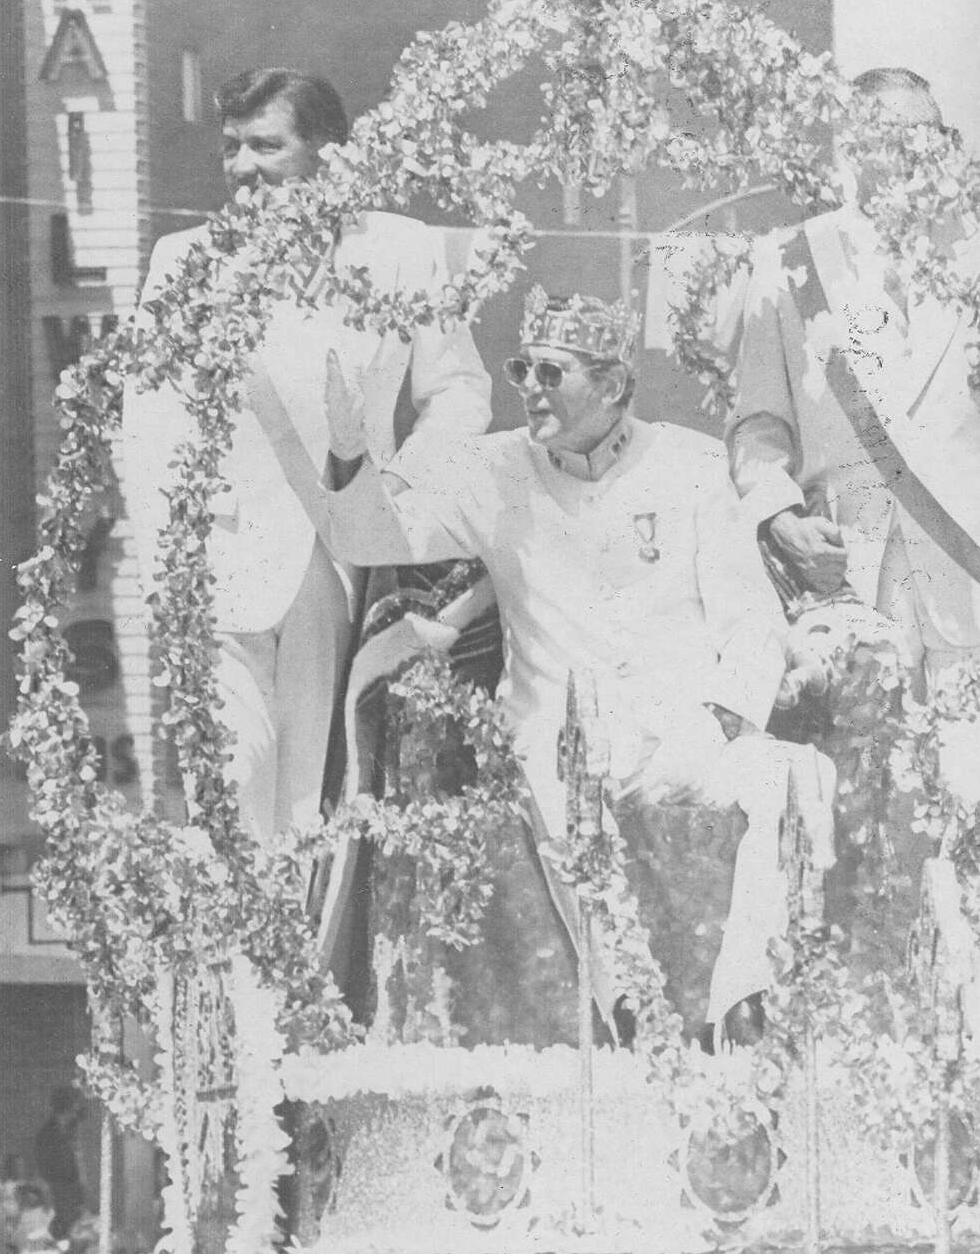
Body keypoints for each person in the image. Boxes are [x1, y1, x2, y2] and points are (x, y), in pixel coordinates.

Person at [257, 286, 830, 1041]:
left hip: (688, 732)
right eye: (520, 369)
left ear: (614, 384)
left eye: (550, 373)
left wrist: (717, 723)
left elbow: (751, 621)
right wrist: (351, 448)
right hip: (554, 738)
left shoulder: (691, 467)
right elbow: (369, 539)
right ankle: (627, 1004)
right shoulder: (493, 470)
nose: (527, 389)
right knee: (561, 775)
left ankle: (742, 1004)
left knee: (798, 777)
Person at [123, 66, 492, 844]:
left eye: (266, 145)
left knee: (316, 808)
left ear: (328, 154)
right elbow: (146, 430)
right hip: (218, 569)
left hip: (344, 562)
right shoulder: (184, 260)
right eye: (232, 148)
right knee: (229, 788)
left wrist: (402, 498)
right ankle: (240, 962)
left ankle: (303, 961)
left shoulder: (402, 251)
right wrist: (168, 570)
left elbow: (459, 393)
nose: (242, 167)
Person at [727, 67, 980, 778]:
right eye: (890, 137)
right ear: (850, 147)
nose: (912, 155)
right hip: (853, 586)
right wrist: (778, 515)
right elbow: (757, 430)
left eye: (929, 136)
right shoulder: (788, 265)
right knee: (866, 819)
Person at [33, 1087, 86, 1239]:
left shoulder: (66, 1131)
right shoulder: (49, 1134)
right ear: (68, 1108)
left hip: (68, 1192)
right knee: (63, 1235)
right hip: (60, 1192)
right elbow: (48, 1166)